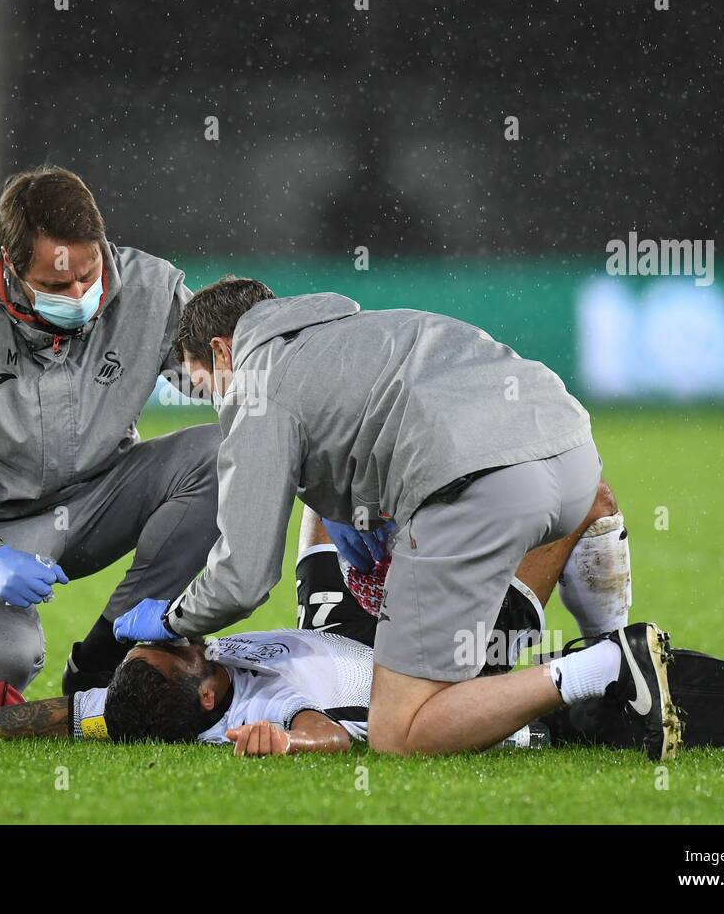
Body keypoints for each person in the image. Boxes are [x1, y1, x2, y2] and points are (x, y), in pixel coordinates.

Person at [113, 277, 681, 759]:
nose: (216, 404)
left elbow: (244, 579)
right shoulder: (352, 330)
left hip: (483, 489)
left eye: (204, 385)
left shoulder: (256, 389)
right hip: (573, 455)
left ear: (221, 350)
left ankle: (610, 663)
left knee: (397, 731)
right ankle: (609, 651)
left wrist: (172, 621)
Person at [0, 484, 646, 757]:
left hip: (338, 628)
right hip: (437, 663)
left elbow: (18, 721)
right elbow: (337, 736)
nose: (175, 640)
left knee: (324, 483)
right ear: (206, 699)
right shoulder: (260, 717)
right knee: (581, 498)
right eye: (179, 654)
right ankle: (612, 645)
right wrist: (289, 747)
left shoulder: (132, 706)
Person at [0, 167, 222, 695]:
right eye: (58, 285)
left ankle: (104, 658)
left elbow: (229, 383)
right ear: (11, 268)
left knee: (224, 453)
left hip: (98, 501)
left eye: (90, 272)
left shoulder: (151, 291)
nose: (82, 292)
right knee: (0, 663)